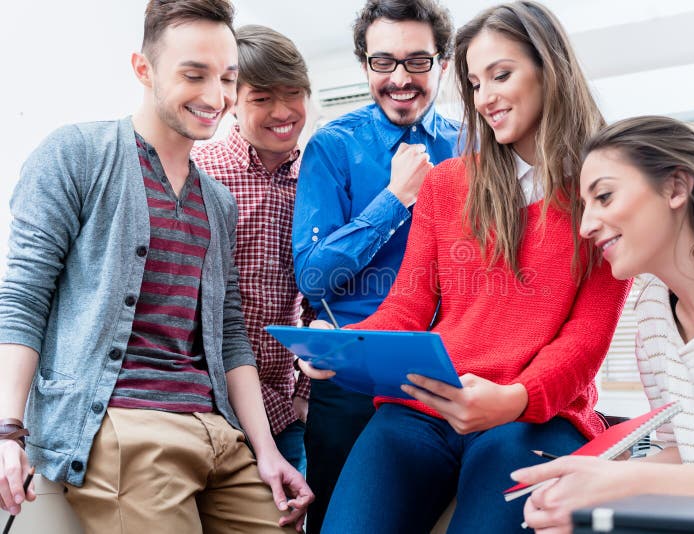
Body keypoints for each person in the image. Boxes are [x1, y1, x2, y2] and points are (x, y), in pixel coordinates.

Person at [299, 2, 630, 532]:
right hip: (425, 407)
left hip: (532, 414)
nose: (487, 98)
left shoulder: (604, 188)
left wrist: (515, 398)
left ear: (551, 68)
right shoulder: (449, 183)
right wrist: (348, 346)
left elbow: (588, 333)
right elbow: (407, 304)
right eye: (476, 84)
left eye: (501, 75)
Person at [0, 1, 311, 532]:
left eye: (227, 79)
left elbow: (230, 334)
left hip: (218, 431)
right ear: (143, 69)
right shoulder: (75, 155)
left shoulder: (217, 202)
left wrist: (266, 451)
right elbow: (23, 297)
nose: (215, 96)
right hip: (122, 425)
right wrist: (8, 432)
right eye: (194, 75)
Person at [514, 115, 694, 533]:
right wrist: (586, 487)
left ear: (676, 187)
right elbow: (686, 453)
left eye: (605, 197)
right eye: (585, 205)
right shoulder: (651, 312)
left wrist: (628, 481)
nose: (586, 226)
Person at [291, 0, 461, 529]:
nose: (400, 79)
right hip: (350, 377)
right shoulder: (332, 147)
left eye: (417, 61)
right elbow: (314, 275)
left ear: (444, 65)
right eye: (384, 62)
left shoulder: (472, 146)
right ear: (365, 65)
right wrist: (395, 198)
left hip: (447, 377)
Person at [193, 24, 315, 475]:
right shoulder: (199, 170)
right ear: (232, 101)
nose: (282, 111)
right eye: (262, 98)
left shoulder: (317, 180)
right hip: (206, 402)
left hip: (284, 411)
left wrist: (304, 397)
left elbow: (320, 302)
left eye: (294, 93)